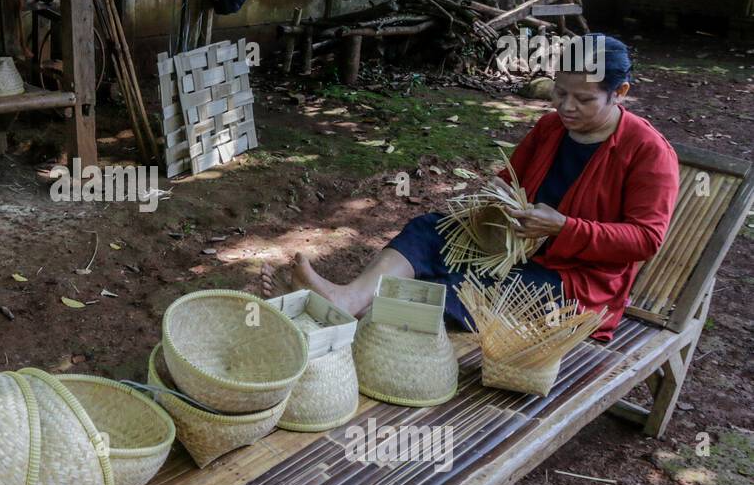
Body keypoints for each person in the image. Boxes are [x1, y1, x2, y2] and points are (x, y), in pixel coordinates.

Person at [263, 35, 680, 341]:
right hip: (507, 249)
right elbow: (509, 183)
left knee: (457, 291)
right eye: (560, 92)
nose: (566, 107)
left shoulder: (647, 153)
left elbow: (645, 240)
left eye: (584, 99)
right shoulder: (552, 127)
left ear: (620, 93)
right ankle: (349, 300)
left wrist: (563, 228)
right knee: (429, 229)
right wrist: (487, 206)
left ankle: (352, 325)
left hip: (571, 284)